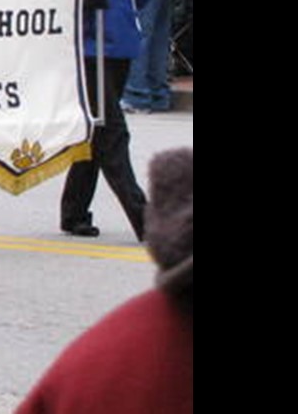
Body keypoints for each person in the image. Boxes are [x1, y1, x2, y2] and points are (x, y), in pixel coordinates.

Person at [16, 148, 192, 413]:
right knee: (108, 147)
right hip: (100, 106)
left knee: (95, 146)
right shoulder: (125, 354)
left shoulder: (104, 357)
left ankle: (78, 213)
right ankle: (133, 216)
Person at [42, 0, 153, 241]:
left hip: (120, 39)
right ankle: (147, 219)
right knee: (111, 131)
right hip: (85, 45)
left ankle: (73, 211)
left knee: (96, 130)